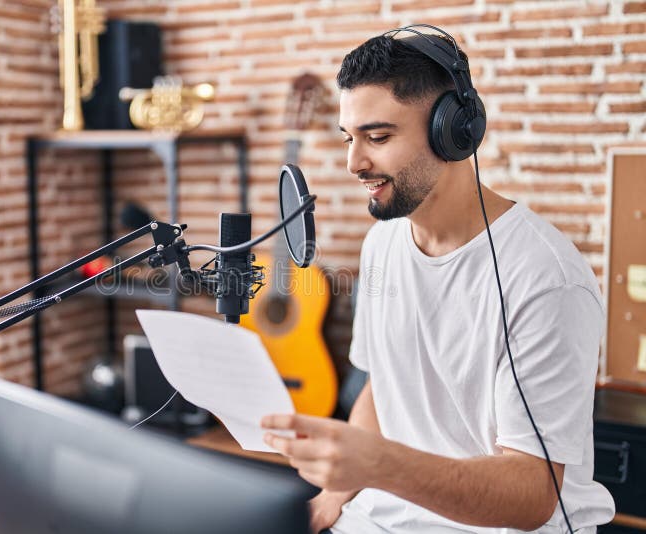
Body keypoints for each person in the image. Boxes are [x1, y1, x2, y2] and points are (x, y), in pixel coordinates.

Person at [261, 28, 615, 534]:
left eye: (378, 138)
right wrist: (330, 498)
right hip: (381, 517)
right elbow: (384, 389)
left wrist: (379, 464)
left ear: (453, 130)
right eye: (349, 138)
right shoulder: (382, 244)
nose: (353, 163)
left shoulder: (546, 278)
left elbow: (533, 495)